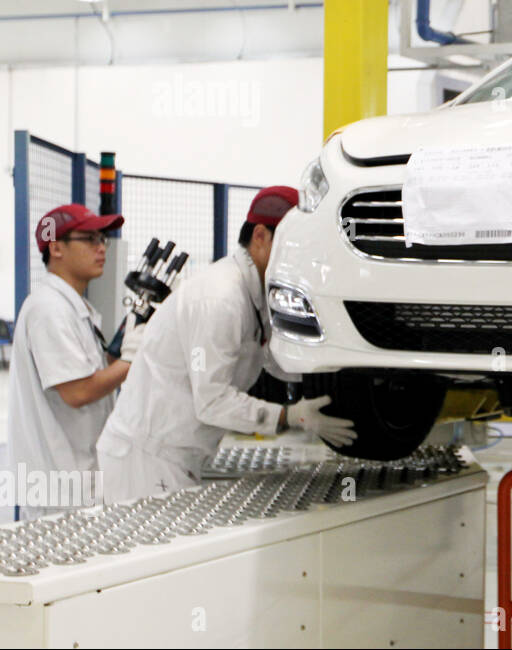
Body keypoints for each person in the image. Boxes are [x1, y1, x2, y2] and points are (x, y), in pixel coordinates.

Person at [97, 186, 357, 503]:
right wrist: (286, 417)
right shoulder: (220, 298)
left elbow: (274, 361)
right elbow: (212, 401)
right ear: (260, 237)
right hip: (144, 460)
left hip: (176, 454)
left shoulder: (255, 296)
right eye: (294, 244)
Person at [7, 204, 143, 518]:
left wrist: (124, 348)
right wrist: (133, 359)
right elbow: (78, 391)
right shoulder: (49, 309)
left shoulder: (72, 307)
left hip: (75, 477)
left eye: (102, 239)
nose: (101, 248)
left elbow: (93, 372)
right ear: (56, 247)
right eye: (89, 239)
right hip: (59, 484)